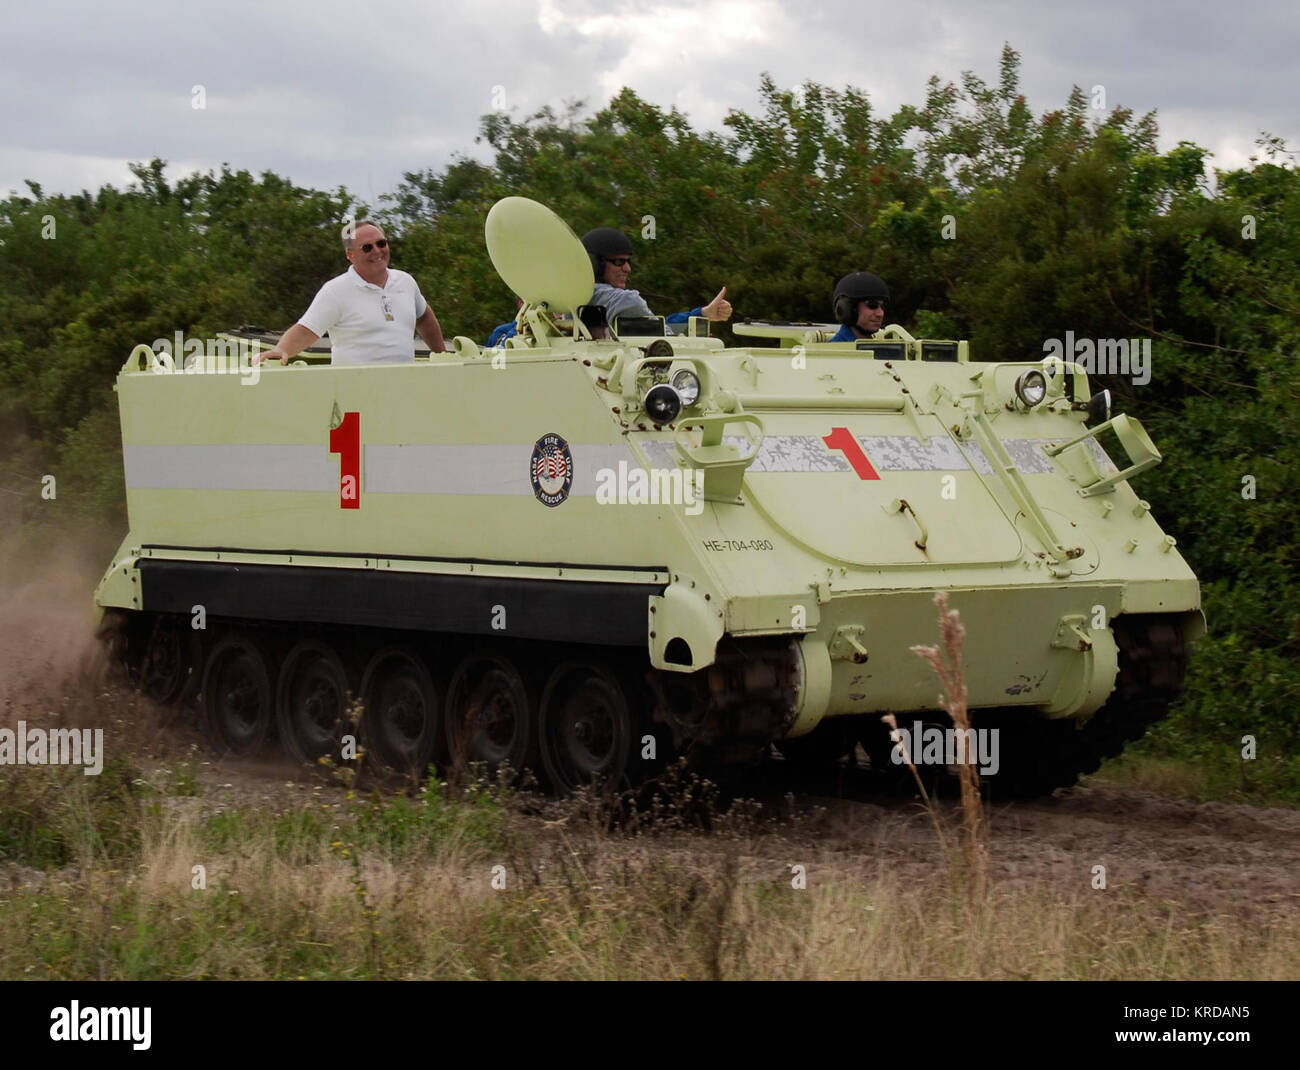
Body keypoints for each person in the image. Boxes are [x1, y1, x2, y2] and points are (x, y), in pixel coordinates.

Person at [255, 220, 447, 365]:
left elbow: (424, 318)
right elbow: (306, 330)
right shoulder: (335, 291)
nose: (377, 251)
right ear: (350, 255)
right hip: (355, 398)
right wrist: (281, 350)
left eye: (381, 243)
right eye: (367, 247)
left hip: (403, 392)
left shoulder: (406, 281)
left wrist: (443, 357)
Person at [583, 227, 732, 330]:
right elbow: (665, 334)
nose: (627, 269)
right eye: (618, 262)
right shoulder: (621, 301)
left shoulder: (576, 301)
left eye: (628, 261)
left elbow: (655, 326)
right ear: (595, 264)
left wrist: (702, 314)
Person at [829, 272, 889, 342]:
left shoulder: (882, 348)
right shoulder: (834, 351)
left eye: (882, 307)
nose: (880, 314)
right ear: (847, 308)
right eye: (872, 305)